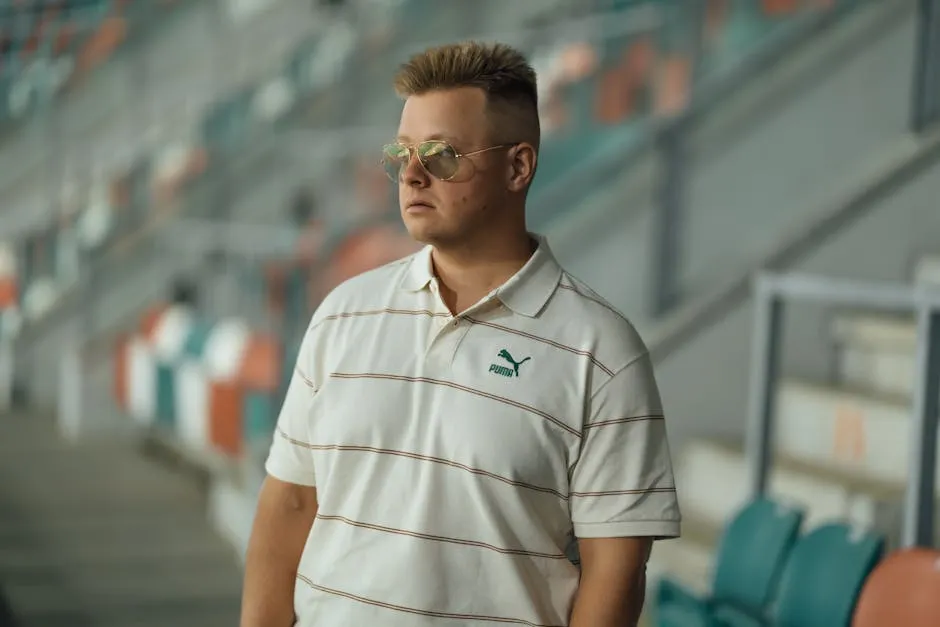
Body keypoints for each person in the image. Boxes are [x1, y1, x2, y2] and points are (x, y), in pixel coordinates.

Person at [240, 41, 681, 627]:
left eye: (442, 155)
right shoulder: (342, 315)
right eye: (402, 153)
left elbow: (616, 573)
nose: (413, 174)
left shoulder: (602, 353)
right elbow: (290, 503)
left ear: (518, 167)